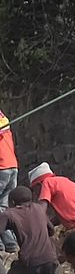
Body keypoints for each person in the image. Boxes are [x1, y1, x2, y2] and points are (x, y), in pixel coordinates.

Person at [27, 163, 75, 235]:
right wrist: (51, 224)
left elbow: (40, 211)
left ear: (39, 185)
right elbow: (64, 216)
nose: (35, 193)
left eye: (34, 189)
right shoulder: (64, 180)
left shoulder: (47, 182)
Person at [0, 107, 17, 253]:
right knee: (4, 207)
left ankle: (2, 243)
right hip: (12, 166)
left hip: (1, 167)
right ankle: (10, 242)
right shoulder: (3, 118)